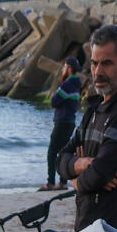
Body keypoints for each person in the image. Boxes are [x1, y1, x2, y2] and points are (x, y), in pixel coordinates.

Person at [69, 26, 117, 232]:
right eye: (94, 63)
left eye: (106, 63)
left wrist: (76, 180)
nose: (97, 72)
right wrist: (84, 163)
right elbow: (61, 158)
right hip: (85, 229)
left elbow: (98, 174)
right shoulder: (94, 109)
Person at [45, 57, 83, 190]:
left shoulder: (67, 85)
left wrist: (57, 89)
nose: (62, 69)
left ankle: (51, 182)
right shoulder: (76, 84)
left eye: (64, 67)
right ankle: (62, 182)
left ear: (70, 69)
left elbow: (54, 102)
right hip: (70, 121)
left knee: (52, 152)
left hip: (62, 122)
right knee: (63, 152)